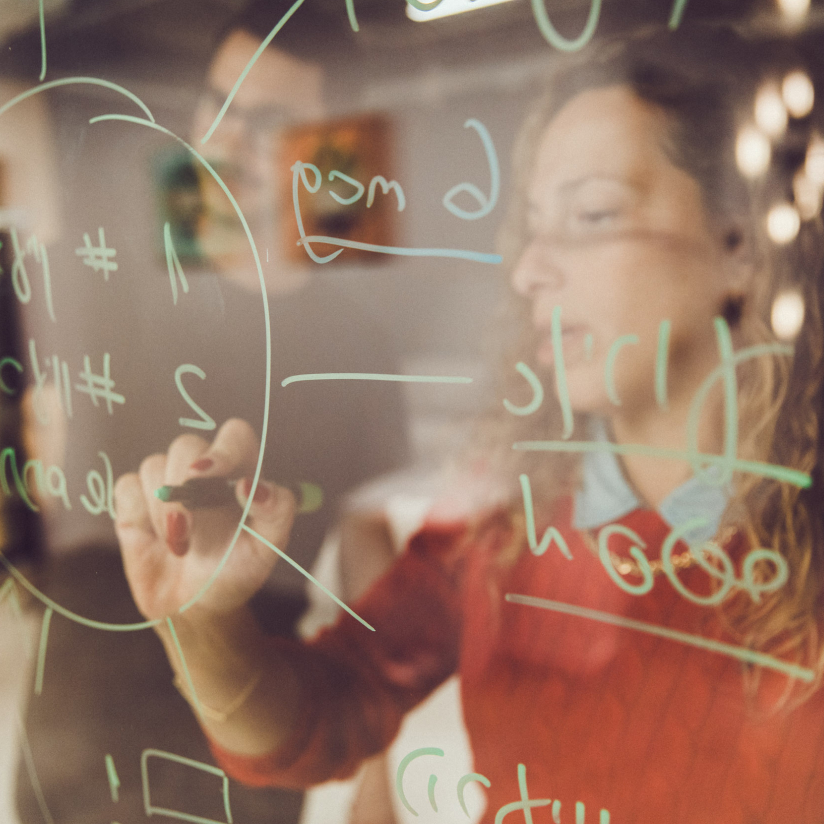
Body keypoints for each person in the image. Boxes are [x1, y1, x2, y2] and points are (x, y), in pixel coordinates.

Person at [113, 24, 824, 824]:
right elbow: (320, 716)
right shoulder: (501, 524)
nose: (528, 269)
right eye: (531, 226)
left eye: (592, 214)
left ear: (745, 242)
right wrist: (205, 622)